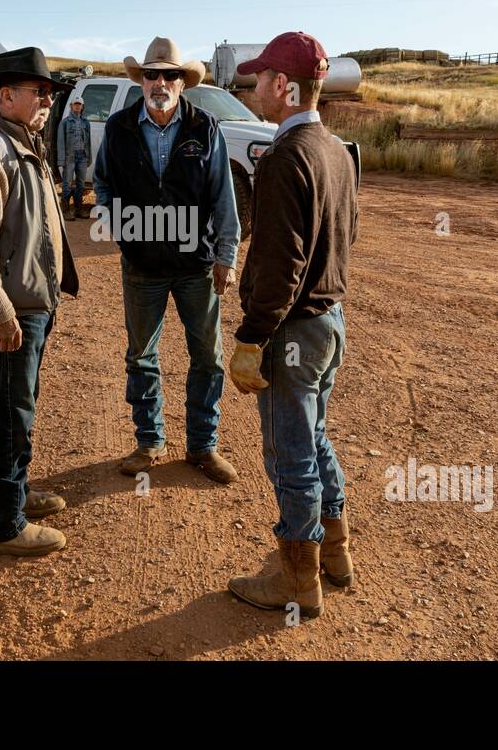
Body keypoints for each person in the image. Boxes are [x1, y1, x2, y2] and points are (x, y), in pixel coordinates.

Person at [225, 32, 361, 618]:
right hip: (330, 321)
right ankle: (335, 554)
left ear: (284, 86)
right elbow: (344, 238)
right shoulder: (336, 150)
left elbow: (282, 264)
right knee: (317, 438)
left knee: (290, 454)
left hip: (292, 334)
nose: (252, 88)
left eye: (258, 79)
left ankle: (295, 583)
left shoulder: (284, 158)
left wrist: (252, 337)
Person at [92, 36, 241, 484]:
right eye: (151, 74)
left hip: (196, 264)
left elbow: (223, 197)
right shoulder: (118, 128)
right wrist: (121, 230)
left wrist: (226, 255)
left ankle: (202, 446)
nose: (160, 82)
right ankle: (149, 440)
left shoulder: (205, 127)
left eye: (169, 74)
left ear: (182, 82)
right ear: (141, 81)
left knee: (208, 358)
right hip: (142, 266)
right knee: (141, 355)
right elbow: (102, 183)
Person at [0, 46, 79, 557]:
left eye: (50, 92)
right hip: (14, 314)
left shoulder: (25, 141)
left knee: (17, 407)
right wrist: (0, 315)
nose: (48, 99)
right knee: (10, 413)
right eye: (39, 91)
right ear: (6, 96)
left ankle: (17, 495)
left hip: (34, 306)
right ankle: (2, 525)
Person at [57, 97, 92, 221]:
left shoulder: (85, 123)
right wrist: (61, 160)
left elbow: (88, 142)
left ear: (82, 107)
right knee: (67, 183)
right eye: (75, 104)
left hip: (82, 156)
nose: (77, 106)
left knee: (81, 184)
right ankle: (65, 211)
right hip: (69, 157)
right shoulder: (65, 122)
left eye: (80, 105)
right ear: (71, 106)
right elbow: (60, 142)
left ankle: (78, 209)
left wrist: (89, 158)